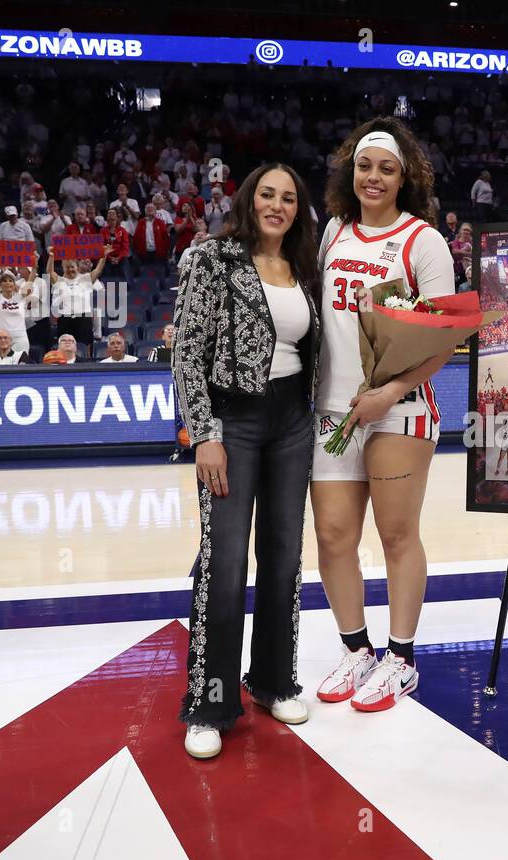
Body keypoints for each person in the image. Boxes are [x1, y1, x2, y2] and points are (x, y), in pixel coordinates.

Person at [172, 162, 322, 759]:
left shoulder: (303, 266)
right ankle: (209, 703)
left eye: (288, 198)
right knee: (225, 561)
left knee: (284, 557)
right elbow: (187, 349)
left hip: (292, 421)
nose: (277, 205)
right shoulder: (213, 258)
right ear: (249, 198)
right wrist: (204, 432)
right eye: (267, 194)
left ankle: (273, 679)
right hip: (230, 423)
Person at [313, 117, 456, 713]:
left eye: (386, 169)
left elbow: (445, 338)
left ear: (404, 178)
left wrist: (389, 390)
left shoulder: (423, 240)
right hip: (331, 409)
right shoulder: (332, 233)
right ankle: (356, 650)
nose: (374, 177)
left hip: (398, 408)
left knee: (396, 536)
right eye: (365, 166)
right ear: (352, 172)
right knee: (333, 537)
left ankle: (401, 658)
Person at [46, 248, 109, 353]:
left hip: (83, 319)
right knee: (65, 348)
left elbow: (98, 270)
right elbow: (49, 271)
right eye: (67, 267)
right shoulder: (59, 281)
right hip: (65, 319)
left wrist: (104, 255)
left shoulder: (85, 279)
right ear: (63, 268)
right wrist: (51, 256)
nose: (70, 269)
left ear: (77, 267)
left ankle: (87, 366)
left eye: (72, 267)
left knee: (85, 346)